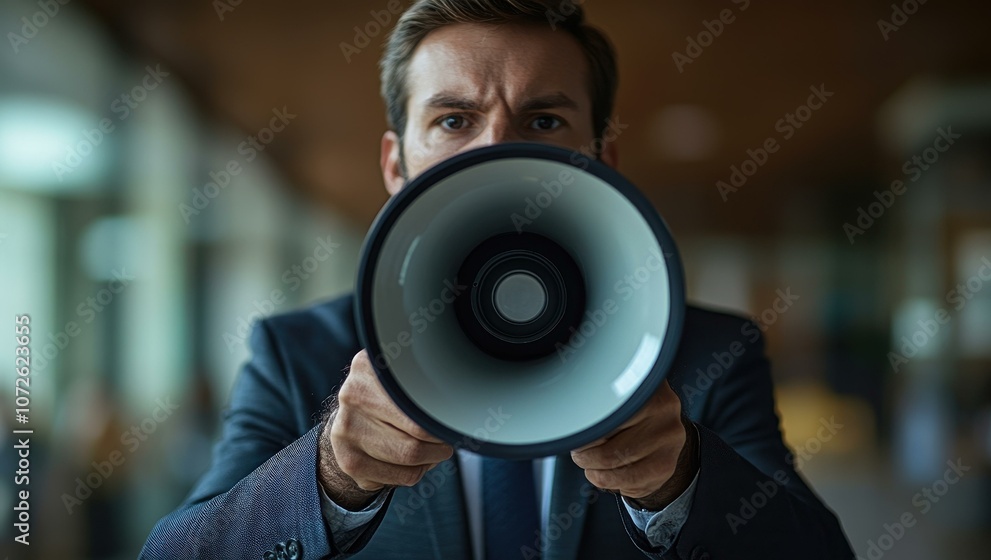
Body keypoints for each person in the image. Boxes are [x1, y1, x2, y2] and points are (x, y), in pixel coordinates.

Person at [141, 1, 856, 558]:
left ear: (602, 158)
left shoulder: (709, 353)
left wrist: (683, 481)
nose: (497, 152)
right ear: (396, 165)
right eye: (454, 120)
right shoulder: (296, 354)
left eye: (544, 119)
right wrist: (329, 473)